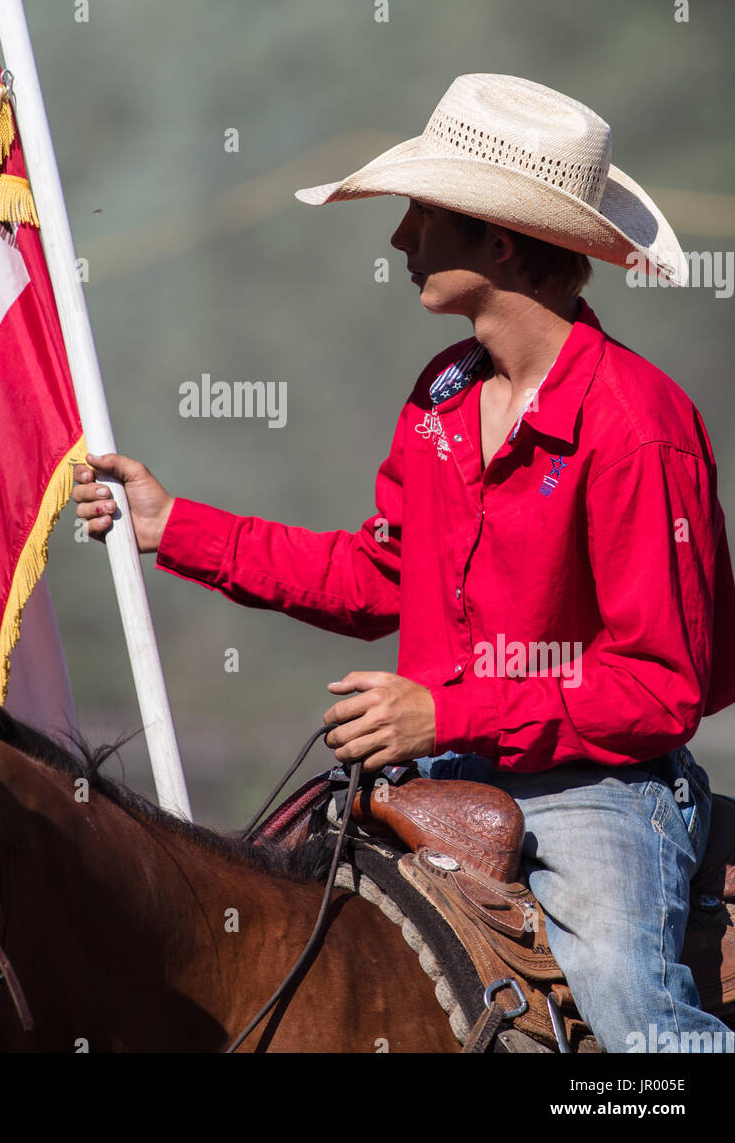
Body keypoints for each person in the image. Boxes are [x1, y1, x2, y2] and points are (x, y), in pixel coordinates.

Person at [71, 73, 735, 1053]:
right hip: (439, 766)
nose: (398, 241)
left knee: (631, 1015)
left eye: (421, 216)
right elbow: (379, 575)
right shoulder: (441, 397)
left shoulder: (638, 425)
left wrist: (444, 711)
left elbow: (658, 686)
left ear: (497, 241)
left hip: (598, 787)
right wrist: (174, 527)